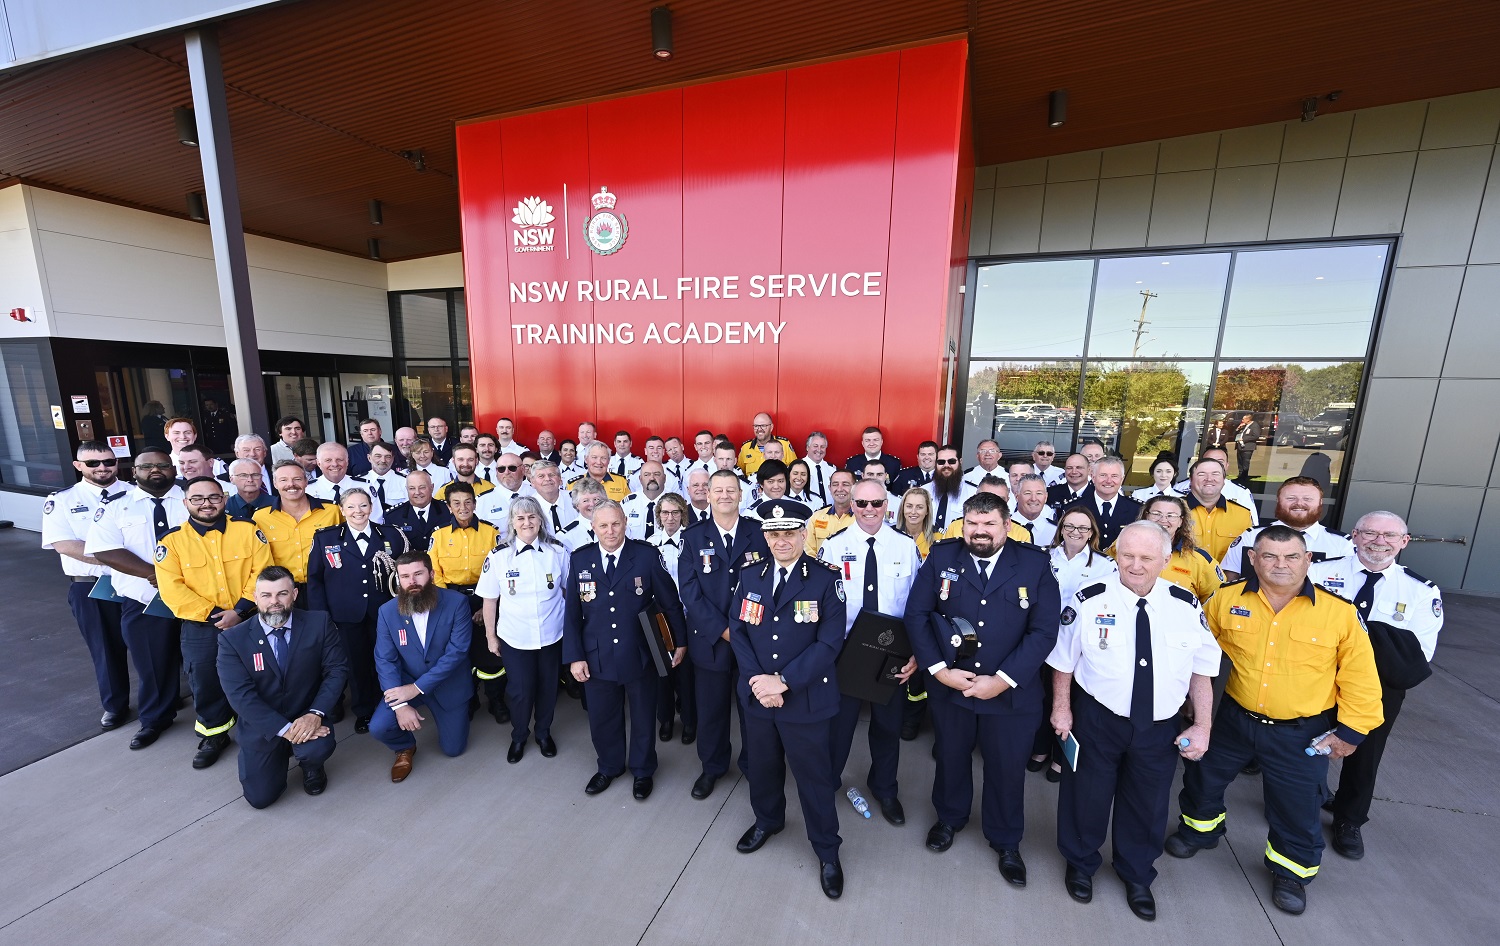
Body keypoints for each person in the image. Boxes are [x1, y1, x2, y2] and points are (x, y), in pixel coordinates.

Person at [1165, 526, 1382, 916]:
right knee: (1202, 777)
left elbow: (1361, 677)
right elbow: (1193, 652)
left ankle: (1291, 871)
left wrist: (1352, 730)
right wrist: (1189, 707)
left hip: (1302, 730)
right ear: (1253, 558)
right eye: (1269, 556)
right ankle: (1201, 830)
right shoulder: (1224, 600)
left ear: (1307, 560)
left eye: (1291, 557)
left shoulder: (1340, 613)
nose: (1280, 565)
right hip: (1233, 717)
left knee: (1296, 804)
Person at [1047, 522, 1221, 920]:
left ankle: (1137, 873)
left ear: (1165, 559)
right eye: (1127, 556)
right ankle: (1080, 862)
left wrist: (1203, 725)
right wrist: (1062, 708)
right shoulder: (1089, 599)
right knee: (1086, 794)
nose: (1136, 566)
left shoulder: (1184, 604)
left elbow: (1202, 670)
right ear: (1115, 555)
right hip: (1097, 717)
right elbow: (1063, 662)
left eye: (1146, 558)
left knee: (1148, 802)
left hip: (1159, 725)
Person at [905, 491, 1061, 888]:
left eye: (989, 523)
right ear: (963, 524)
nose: (980, 531)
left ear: (1007, 526)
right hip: (953, 687)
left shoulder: (1034, 564)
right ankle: (949, 819)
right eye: (972, 523)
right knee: (952, 759)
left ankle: (1006, 840)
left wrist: (1002, 680)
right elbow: (918, 615)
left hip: (1010, 694)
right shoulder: (942, 558)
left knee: (1007, 770)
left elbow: (1044, 631)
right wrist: (939, 672)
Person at [727, 498, 848, 899]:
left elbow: (830, 642)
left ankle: (827, 851)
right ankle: (768, 821)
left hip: (805, 698)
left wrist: (783, 681)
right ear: (765, 536)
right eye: (774, 534)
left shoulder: (825, 578)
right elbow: (739, 630)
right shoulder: (750, 575)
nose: (782, 541)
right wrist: (759, 682)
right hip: (758, 696)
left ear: (803, 534)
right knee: (761, 767)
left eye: (789, 533)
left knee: (814, 778)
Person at [1308, 511, 1442, 860]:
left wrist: (1361, 644)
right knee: (1304, 740)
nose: (1378, 541)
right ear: (1354, 535)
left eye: (1388, 535)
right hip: (1315, 676)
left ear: (1403, 542)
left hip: (1378, 686)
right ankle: (1300, 802)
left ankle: (1349, 820)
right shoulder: (1318, 572)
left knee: (1365, 753)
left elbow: (1418, 655)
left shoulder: (1419, 591)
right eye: (1370, 533)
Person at [563, 501, 686, 800]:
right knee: (602, 718)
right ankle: (609, 766)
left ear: (625, 523)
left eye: (615, 524)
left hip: (641, 653)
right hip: (597, 656)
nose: (610, 531)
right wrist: (575, 656)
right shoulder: (581, 560)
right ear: (593, 527)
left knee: (644, 716)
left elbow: (670, 602)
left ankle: (643, 770)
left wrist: (679, 642)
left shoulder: (645, 556)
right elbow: (572, 613)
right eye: (603, 525)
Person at [820, 480, 921, 827]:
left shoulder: (906, 547)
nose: (868, 509)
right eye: (861, 502)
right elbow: (823, 604)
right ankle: (826, 783)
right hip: (846, 652)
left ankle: (885, 789)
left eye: (876, 503)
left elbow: (919, 607)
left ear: (887, 505)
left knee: (887, 727)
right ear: (852, 502)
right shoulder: (834, 546)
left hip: (893, 653)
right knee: (839, 726)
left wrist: (916, 655)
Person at [155, 476, 274, 769]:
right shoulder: (172, 541)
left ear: (224, 499)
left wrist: (241, 610)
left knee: (261, 676)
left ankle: (263, 727)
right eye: (198, 499)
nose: (206, 504)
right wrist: (216, 615)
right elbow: (172, 588)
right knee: (205, 680)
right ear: (186, 503)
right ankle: (215, 734)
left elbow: (263, 572)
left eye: (213, 497)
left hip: (249, 619)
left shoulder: (248, 530)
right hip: (201, 626)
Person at [216, 567, 348, 808]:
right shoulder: (232, 640)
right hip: (263, 725)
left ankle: (312, 766)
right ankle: (281, 751)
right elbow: (240, 696)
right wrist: (286, 730)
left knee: (315, 749)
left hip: (307, 714)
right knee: (260, 798)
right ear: (255, 597)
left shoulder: (319, 622)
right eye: (266, 595)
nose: (274, 602)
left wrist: (315, 714)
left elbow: (336, 671)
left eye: (282, 594)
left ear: (295, 594)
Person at [85, 448, 185, 749]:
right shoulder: (117, 506)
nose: (156, 470)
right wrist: (154, 572)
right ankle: (154, 719)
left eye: (163, 465)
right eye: (147, 466)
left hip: (196, 598)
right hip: (144, 599)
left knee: (205, 661)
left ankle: (215, 715)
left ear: (173, 469)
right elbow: (104, 549)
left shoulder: (191, 499)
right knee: (152, 664)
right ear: (134, 472)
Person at [678, 469, 768, 799]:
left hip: (754, 640)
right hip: (711, 640)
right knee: (712, 710)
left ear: (741, 495)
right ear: (707, 495)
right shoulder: (692, 537)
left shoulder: (758, 533)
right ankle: (712, 767)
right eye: (719, 490)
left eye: (732, 490)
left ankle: (752, 765)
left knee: (752, 708)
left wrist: (743, 631)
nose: (725, 495)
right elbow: (689, 592)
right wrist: (724, 630)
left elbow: (770, 583)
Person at [43, 441, 132, 730]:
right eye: (93, 463)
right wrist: (115, 559)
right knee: (105, 649)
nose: (103, 468)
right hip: (92, 586)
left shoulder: (136, 493)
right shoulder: (62, 500)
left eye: (108, 461)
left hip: (137, 582)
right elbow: (65, 544)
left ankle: (164, 696)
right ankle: (115, 705)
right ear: (78, 466)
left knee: (154, 644)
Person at [306, 487, 409, 734]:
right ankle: (364, 711)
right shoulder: (325, 538)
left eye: (363, 505)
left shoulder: (391, 535)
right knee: (356, 664)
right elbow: (315, 580)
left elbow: (405, 574)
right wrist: (322, 618)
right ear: (342, 510)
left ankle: (393, 705)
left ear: (371, 508)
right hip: (345, 615)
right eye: (351, 506)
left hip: (384, 613)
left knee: (387, 660)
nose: (357, 511)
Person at [478, 496, 569, 763]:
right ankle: (519, 735)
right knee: (520, 691)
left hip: (552, 635)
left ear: (540, 520)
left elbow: (568, 592)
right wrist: (491, 637)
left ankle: (543, 732)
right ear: (512, 523)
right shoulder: (498, 556)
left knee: (548, 688)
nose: (527, 522)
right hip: (516, 638)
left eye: (532, 517)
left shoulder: (558, 552)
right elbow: (489, 600)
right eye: (521, 518)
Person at [370, 552, 474, 781]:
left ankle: (456, 714)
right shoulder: (387, 611)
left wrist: (416, 688)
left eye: (418, 574)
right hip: (407, 683)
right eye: (405, 576)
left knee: (453, 750)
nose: (412, 581)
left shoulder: (457, 603)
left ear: (432, 574)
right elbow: (385, 659)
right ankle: (405, 747)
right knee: (378, 727)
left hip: (448, 684)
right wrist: (400, 706)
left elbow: (456, 653)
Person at [428, 481, 507, 725]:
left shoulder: (490, 532)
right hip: (451, 600)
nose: (463, 507)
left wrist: (486, 606)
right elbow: (434, 574)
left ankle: (496, 700)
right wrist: (446, 606)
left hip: (484, 598)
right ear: (449, 507)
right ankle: (469, 700)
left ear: (475, 503)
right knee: (459, 653)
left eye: (468, 502)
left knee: (490, 652)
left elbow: (499, 571)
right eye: (457, 503)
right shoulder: (438, 535)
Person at [1221, 477, 1354, 580]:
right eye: (1291, 498)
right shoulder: (1251, 537)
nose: (1299, 503)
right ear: (1278, 501)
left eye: (1308, 499)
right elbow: (1230, 578)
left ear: (1320, 503)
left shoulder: (1342, 544)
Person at [254, 461, 344, 595]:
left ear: (306, 482)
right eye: (283, 480)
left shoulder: (332, 512)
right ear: (275, 484)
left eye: (297, 479)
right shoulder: (260, 517)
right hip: (282, 592)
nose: (291, 484)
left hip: (326, 587)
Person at [649, 492, 696, 744]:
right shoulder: (650, 543)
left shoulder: (692, 541)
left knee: (686, 674)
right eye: (665, 512)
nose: (670, 517)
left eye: (675, 512)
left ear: (682, 514)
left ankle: (689, 720)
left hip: (688, 616)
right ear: (658, 516)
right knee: (662, 673)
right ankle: (665, 719)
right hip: (660, 619)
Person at [1134, 495, 1223, 602]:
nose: (1163, 520)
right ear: (1146, 516)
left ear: (1181, 521)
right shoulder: (1122, 548)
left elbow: (1216, 602)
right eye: (1156, 514)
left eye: (1171, 515)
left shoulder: (1199, 560)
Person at [1058, 456, 1141, 551]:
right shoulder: (1074, 507)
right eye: (1103, 475)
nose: (1109, 480)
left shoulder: (1136, 509)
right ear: (1093, 478)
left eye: (1114, 476)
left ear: (1122, 479)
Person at [1183, 457, 1255, 563]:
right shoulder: (1172, 510)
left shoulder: (1243, 514)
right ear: (1191, 480)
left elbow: (1246, 557)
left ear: (1224, 480)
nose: (1209, 479)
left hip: (1227, 578)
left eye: (1215, 474)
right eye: (1201, 474)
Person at [1049, 507, 1119, 604]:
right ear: (1061, 529)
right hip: (1045, 618)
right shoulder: (1043, 557)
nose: (1075, 532)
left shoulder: (1105, 565)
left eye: (1083, 528)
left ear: (1091, 533)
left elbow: (1110, 601)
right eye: (1069, 526)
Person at [1174, 447, 1259, 525]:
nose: (1214, 464)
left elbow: (1252, 527)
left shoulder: (1240, 492)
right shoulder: (1179, 488)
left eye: (1220, 461)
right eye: (1208, 460)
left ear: (1227, 465)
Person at [307, 443, 385, 522]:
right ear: (318, 463)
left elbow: (376, 519)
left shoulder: (364, 487)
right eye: (328, 460)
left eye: (339, 460)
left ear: (347, 461)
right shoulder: (308, 490)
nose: (334, 464)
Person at [381, 468, 452, 552]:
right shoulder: (393, 516)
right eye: (412, 488)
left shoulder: (448, 510)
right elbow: (390, 550)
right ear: (406, 489)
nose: (417, 492)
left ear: (432, 487)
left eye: (422, 487)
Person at [926, 444, 976, 533]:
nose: (946, 465)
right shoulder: (923, 491)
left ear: (960, 462)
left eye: (951, 461)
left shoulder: (974, 494)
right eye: (941, 462)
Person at [805, 470, 856, 555]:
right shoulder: (816, 517)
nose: (839, 489)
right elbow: (808, 551)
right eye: (835, 484)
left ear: (855, 488)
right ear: (829, 488)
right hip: (820, 567)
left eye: (845, 484)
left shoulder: (862, 518)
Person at [621, 460, 671, 539]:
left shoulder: (675, 503)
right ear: (640, 479)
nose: (652, 478)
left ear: (664, 478)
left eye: (657, 474)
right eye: (647, 475)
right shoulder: (628, 504)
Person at [738, 412, 797, 476]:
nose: (759, 429)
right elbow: (740, 473)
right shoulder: (745, 447)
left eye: (763, 426)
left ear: (771, 427)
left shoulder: (784, 444)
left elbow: (795, 469)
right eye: (756, 426)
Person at [1011, 474, 1057, 546]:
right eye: (1027, 493)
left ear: (1045, 497)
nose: (1033, 499)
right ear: (1017, 496)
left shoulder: (1056, 531)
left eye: (1039, 493)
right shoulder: (1003, 527)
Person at [360, 441, 409, 509]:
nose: (383, 460)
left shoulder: (405, 481)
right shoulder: (359, 483)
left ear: (393, 459)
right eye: (378, 456)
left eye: (388, 457)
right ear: (369, 458)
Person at [895, 486, 938, 559]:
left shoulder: (938, 537)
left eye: (919, 507)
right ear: (902, 508)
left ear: (927, 510)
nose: (913, 512)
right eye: (909, 506)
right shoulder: (891, 534)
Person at [803, 432, 840, 508]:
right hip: (808, 514)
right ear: (807, 447)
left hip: (831, 515)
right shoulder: (798, 468)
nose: (819, 450)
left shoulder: (832, 469)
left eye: (822, 446)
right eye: (815, 446)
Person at [1233, 413, 1260, 482]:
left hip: (1247, 447)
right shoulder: (1244, 426)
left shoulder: (1254, 426)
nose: (1242, 420)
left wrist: (1244, 439)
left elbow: (1255, 436)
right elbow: (1236, 434)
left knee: (1245, 462)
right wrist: (1238, 428)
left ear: (1248, 419)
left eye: (1243, 419)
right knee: (1240, 462)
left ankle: (1244, 476)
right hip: (1240, 446)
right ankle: (1240, 475)